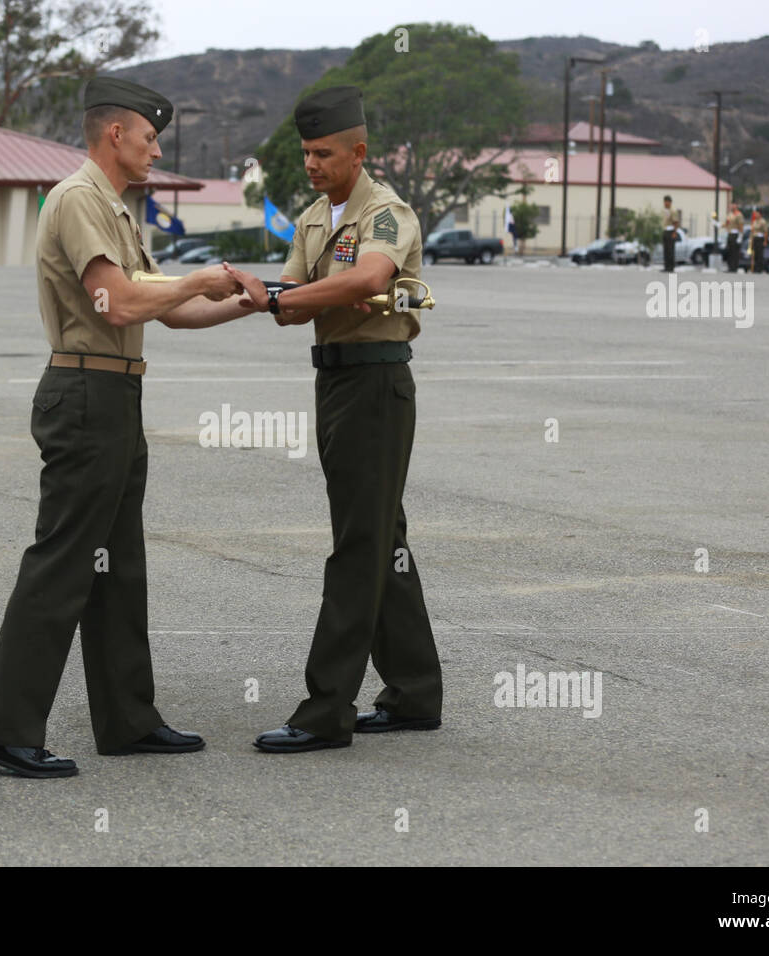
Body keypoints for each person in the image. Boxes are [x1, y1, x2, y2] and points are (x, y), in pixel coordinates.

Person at [0, 77, 254, 779]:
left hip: (117, 396)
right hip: (85, 393)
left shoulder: (120, 212)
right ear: (115, 135)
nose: (157, 151)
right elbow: (121, 303)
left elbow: (168, 311)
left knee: (117, 567)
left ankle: (128, 719)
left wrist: (254, 302)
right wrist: (194, 282)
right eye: (151, 138)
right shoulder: (78, 201)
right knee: (63, 562)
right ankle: (3, 731)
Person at [225, 86, 442, 753]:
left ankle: (325, 709)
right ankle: (413, 692)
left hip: (376, 383)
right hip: (334, 382)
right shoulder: (317, 217)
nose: (312, 164)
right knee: (380, 537)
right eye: (306, 153)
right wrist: (237, 295)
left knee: (357, 548)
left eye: (324, 153)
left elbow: (367, 281)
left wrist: (290, 297)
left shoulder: (385, 212)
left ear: (359, 151)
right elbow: (291, 302)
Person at [661, 195, 681, 273]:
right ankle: (666, 266)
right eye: (664, 202)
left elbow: (676, 222)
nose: (665, 203)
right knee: (665, 250)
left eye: (667, 202)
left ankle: (671, 267)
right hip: (665, 230)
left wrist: (675, 232)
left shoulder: (673, 211)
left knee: (670, 250)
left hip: (671, 231)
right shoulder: (664, 211)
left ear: (670, 202)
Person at [723, 203, 744, 273]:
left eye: (733, 205)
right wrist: (719, 224)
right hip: (730, 233)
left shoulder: (739, 215)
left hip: (736, 234)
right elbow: (726, 224)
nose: (732, 207)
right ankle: (730, 267)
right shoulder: (730, 215)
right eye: (731, 205)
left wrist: (740, 236)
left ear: (736, 206)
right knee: (729, 251)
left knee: (735, 252)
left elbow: (741, 226)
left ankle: (734, 267)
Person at [749, 210, 769, 274]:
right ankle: (755, 268)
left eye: (757, 214)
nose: (756, 215)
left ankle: (759, 269)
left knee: (760, 255)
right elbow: (752, 231)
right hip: (755, 238)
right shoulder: (754, 221)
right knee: (755, 254)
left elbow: (766, 232)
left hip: (760, 238)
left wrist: (765, 241)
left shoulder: (763, 221)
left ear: (760, 214)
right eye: (755, 214)